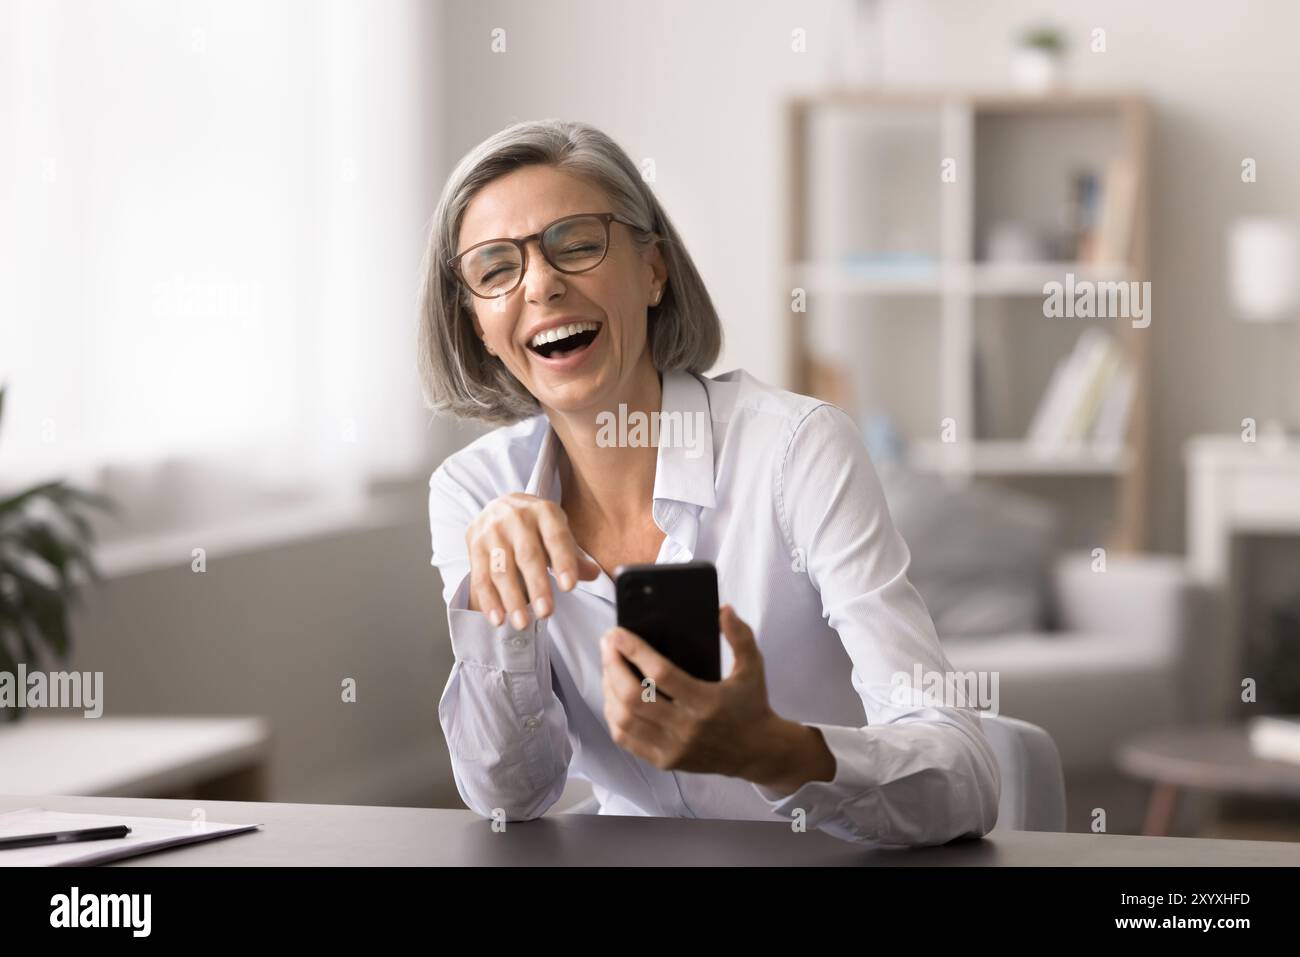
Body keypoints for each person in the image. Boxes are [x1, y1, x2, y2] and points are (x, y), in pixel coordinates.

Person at [418, 118, 999, 846]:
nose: (540, 283)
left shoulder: (795, 450)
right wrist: (503, 613)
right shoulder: (472, 493)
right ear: (475, 320)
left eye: (577, 243)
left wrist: (776, 751)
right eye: (495, 268)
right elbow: (512, 796)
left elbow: (969, 775)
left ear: (653, 269)